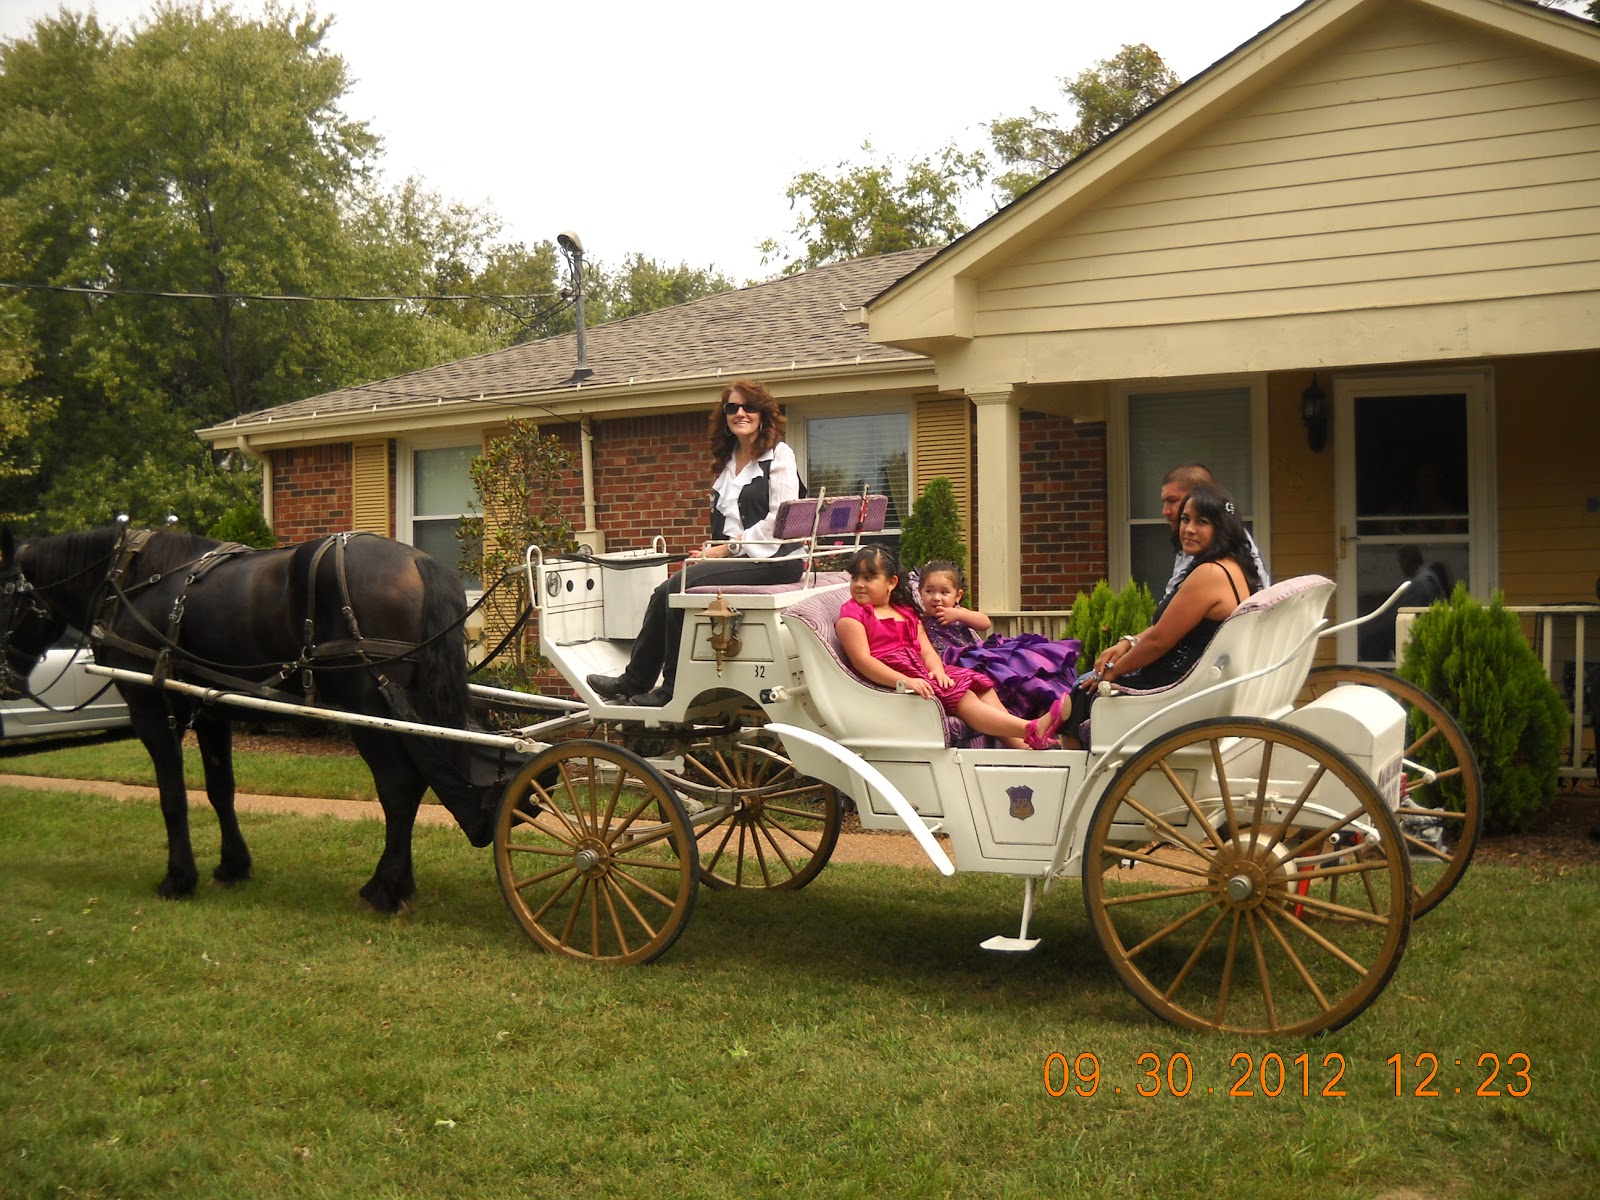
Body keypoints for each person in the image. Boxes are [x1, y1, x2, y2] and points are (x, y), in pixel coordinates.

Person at [587, 380, 805, 707]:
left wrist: (726, 549)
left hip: (775, 559)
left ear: (763, 414)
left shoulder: (779, 455)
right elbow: (730, 522)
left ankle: (667, 690)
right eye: (732, 408)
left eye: (749, 407)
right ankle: (635, 682)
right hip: (741, 559)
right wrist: (711, 550)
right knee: (665, 591)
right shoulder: (729, 461)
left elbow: (780, 520)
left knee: (677, 588)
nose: (740, 413)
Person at [1062, 484, 1263, 749]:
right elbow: (1167, 627)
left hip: (1177, 687)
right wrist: (1126, 643)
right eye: (1185, 519)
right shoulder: (1231, 567)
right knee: (1084, 684)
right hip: (1195, 680)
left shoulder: (1210, 574)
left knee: (1080, 690)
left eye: (1201, 522)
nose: (1188, 529)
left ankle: (1077, 779)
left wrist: (1110, 673)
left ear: (1222, 528)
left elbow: (1159, 640)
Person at [836, 545, 1063, 751]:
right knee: (961, 695)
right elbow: (863, 661)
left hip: (919, 671)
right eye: (855, 577)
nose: (859, 584)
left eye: (869, 577)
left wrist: (938, 670)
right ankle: (1029, 729)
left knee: (979, 683)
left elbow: (926, 650)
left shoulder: (904, 612)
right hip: (894, 678)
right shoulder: (853, 615)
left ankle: (1022, 747)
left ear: (891, 583)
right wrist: (904, 681)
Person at [917, 558, 1079, 721]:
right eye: (929, 591)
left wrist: (959, 614)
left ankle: (1046, 707)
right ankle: (1019, 720)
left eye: (944, 592)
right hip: (954, 663)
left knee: (1016, 663)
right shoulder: (920, 620)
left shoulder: (958, 612)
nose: (936, 598)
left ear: (958, 596)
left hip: (975, 656)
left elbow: (984, 623)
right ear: (920, 592)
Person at [1159, 464, 1269, 601]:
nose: (1165, 511)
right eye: (1185, 519)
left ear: (1203, 497)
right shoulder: (1197, 543)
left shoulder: (1216, 564)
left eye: (1173, 501)